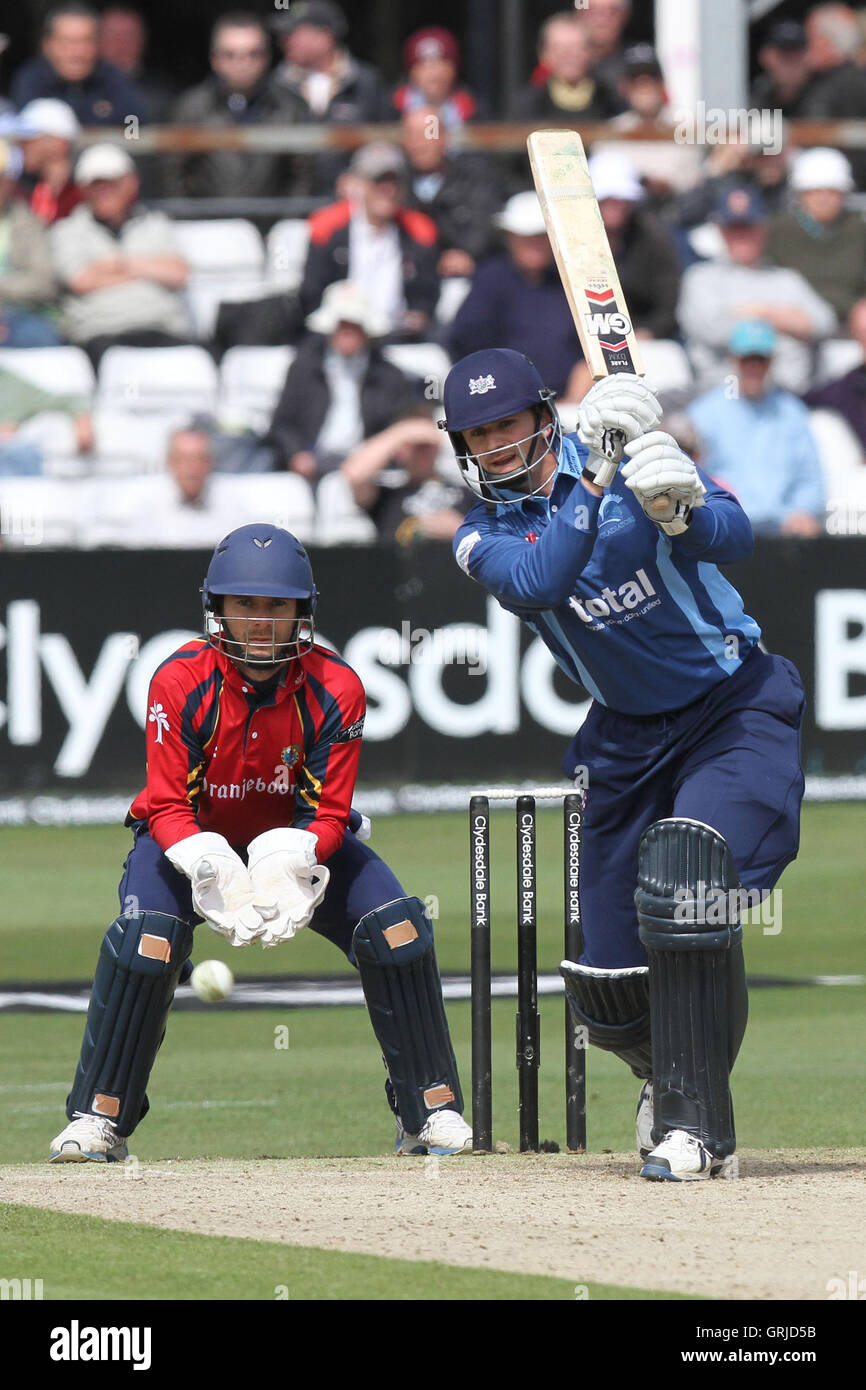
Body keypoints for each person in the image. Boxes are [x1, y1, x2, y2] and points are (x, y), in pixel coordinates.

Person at [440, 348, 806, 1181]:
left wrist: (679, 507)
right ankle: (661, 1070)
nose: (497, 445)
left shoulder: (634, 452)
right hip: (624, 738)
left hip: (731, 706)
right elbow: (540, 580)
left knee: (689, 881)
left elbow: (737, 534)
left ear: (542, 416)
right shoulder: (479, 535)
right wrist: (599, 479)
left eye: (508, 424)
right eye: (477, 433)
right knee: (605, 989)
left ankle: (693, 1125)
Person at [49, 523, 472, 1162]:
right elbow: (165, 804)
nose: (261, 623)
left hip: (298, 846)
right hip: (187, 842)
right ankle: (98, 1120)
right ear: (216, 609)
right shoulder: (179, 681)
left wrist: (297, 857)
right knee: (146, 943)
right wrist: (205, 859)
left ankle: (429, 1113)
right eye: (245, 606)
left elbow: (332, 811)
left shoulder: (339, 685)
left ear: (303, 612)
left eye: (277, 607)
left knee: (399, 932)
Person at [677, 184, 837, 394]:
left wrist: (758, 312)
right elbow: (712, 330)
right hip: (723, 393)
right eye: (734, 228)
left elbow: (825, 323)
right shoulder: (701, 277)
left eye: (749, 227)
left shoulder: (786, 279)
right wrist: (787, 321)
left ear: (763, 229)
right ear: (721, 231)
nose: (742, 235)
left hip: (788, 395)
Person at [50, 143, 191, 365]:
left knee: (206, 359)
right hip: (101, 336)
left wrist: (117, 264)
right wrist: (149, 268)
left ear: (131, 183)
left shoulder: (156, 224)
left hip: (162, 331)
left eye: (111, 183)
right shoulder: (67, 230)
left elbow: (179, 273)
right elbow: (81, 280)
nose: (103, 191)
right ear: (82, 189)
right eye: (96, 184)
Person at [266, 279, 416, 479]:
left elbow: (399, 423)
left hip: (368, 470)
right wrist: (296, 455)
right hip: (312, 465)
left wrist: (380, 453)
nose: (348, 333)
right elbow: (283, 424)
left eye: (354, 326)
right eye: (342, 326)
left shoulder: (387, 375)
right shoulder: (304, 368)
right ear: (331, 328)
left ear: (366, 330)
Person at [687, 319, 824, 537]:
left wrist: (804, 511)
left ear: (771, 362)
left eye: (761, 360)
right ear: (734, 360)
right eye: (747, 359)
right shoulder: (704, 413)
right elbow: (692, 474)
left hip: (784, 531)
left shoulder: (792, 412)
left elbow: (810, 475)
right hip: (724, 529)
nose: (754, 368)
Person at [299, 143, 439, 343]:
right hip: (339, 337)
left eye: (395, 182)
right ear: (359, 185)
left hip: (399, 337)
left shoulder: (417, 235)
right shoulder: (329, 233)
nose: (388, 190)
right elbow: (311, 295)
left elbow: (427, 296)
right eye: (378, 181)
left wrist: (418, 316)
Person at [448, 191, 582, 399]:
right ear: (509, 237)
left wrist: (574, 401)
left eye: (541, 235)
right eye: (526, 236)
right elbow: (467, 345)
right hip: (505, 401)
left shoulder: (569, 282)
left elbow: (586, 351)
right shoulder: (490, 280)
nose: (535, 243)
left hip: (570, 402)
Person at [166, 12, 297, 200]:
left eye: (253, 54)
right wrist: (192, 219)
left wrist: (285, 220)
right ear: (214, 59)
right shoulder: (191, 108)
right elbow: (172, 175)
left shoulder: (289, 107)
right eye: (230, 55)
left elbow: (303, 175)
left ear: (267, 58)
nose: (242, 63)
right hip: (206, 225)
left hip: (276, 226)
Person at [400, 106, 506, 280]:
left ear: (445, 138)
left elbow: (487, 220)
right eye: (412, 135)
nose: (420, 143)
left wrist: (467, 253)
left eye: (429, 133)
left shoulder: (474, 176)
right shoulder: (394, 182)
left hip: (469, 274)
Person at [341, 405, 468, 544]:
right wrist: (403, 432)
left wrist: (458, 530)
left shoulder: (465, 491)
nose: (421, 452)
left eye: (426, 445)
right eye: (413, 445)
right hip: (400, 563)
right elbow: (354, 475)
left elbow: (488, 540)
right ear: (398, 450)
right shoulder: (387, 496)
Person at [766, 148, 866, 324]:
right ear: (800, 194)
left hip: (851, 323)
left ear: (845, 193)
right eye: (815, 191)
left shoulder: (859, 229)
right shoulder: (779, 229)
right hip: (793, 321)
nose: (823, 199)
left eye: (832, 191)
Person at [10, 2, 149, 127]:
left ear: (98, 44)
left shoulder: (114, 79)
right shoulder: (31, 80)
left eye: (86, 41)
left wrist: (124, 139)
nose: (77, 53)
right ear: (48, 45)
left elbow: (136, 124)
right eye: (68, 42)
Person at [0, 137, 62, 347]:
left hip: (21, 315)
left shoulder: (30, 224)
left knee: (40, 336)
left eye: (1, 177)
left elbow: (44, 283)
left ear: (11, 181)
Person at [512, 12, 625, 121]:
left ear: (591, 51)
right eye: (559, 48)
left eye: (576, 47)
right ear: (544, 54)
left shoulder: (612, 100)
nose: (568, 56)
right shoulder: (526, 106)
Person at [392, 27, 483, 128]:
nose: (434, 73)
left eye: (442, 63)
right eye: (425, 65)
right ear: (412, 71)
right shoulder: (391, 107)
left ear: (454, 69)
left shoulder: (475, 108)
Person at [13, 98, 82, 224]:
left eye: (29, 139)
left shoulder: (85, 194)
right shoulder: (18, 191)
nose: (21, 145)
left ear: (59, 142)